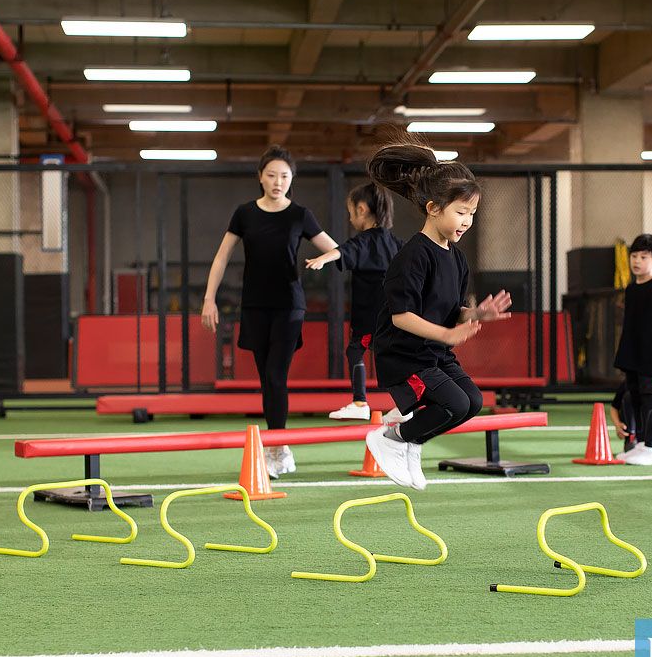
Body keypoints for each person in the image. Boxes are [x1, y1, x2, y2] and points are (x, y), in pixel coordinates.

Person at [361, 142, 512, 490]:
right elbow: (401, 316)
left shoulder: (456, 259)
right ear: (433, 208)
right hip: (404, 356)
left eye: (472, 214)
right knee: (453, 402)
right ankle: (391, 439)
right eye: (461, 212)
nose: (467, 222)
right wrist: (445, 335)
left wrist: (477, 313)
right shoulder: (412, 256)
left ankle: (409, 442)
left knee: (472, 402)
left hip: (433, 354)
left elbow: (451, 310)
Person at [200, 145, 340, 478]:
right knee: (267, 380)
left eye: (285, 176)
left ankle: (278, 447)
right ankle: (280, 446)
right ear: (260, 177)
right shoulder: (245, 213)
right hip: (255, 306)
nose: (278, 182)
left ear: (291, 180)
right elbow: (221, 258)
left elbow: (335, 249)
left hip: (290, 305)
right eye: (272, 175)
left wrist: (324, 258)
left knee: (276, 375)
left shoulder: (300, 215)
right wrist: (209, 298)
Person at [304, 183, 404, 420]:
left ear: (361, 209)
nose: (350, 219)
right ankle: (405, 404)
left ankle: (360, 402)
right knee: (394, 358)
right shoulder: (396, 243)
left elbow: (341, 251)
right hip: (396, 316)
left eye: (350, 213)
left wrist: (322, 259)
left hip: (369, 315)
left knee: (355, 351)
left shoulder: (363, 241)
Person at [612, 233, 652, 467]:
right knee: (635, 398)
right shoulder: (631, 289)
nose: (637, 261)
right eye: (634, 256)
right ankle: (639, 443)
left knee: (650, 400)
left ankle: (651, 449)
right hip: (632, 354)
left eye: (644, 257)